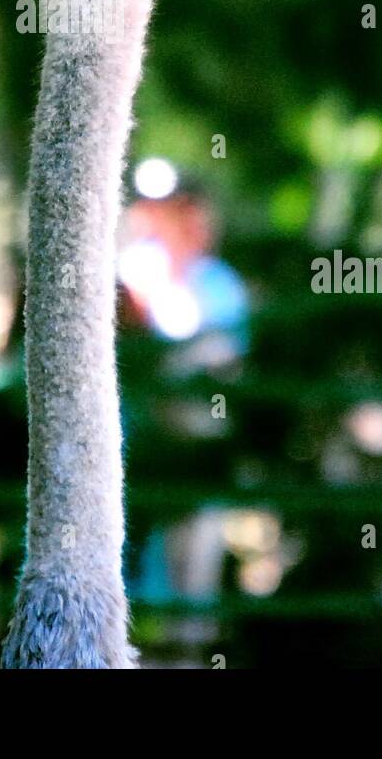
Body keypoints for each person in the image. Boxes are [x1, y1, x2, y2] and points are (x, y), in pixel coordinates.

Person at [117, 169, 251, 636]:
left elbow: (211, 357)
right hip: (131, 453)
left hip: (194, 455)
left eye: (184, 209)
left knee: (189, 588)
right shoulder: (129, 270)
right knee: (117, 579)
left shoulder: (219, 285)